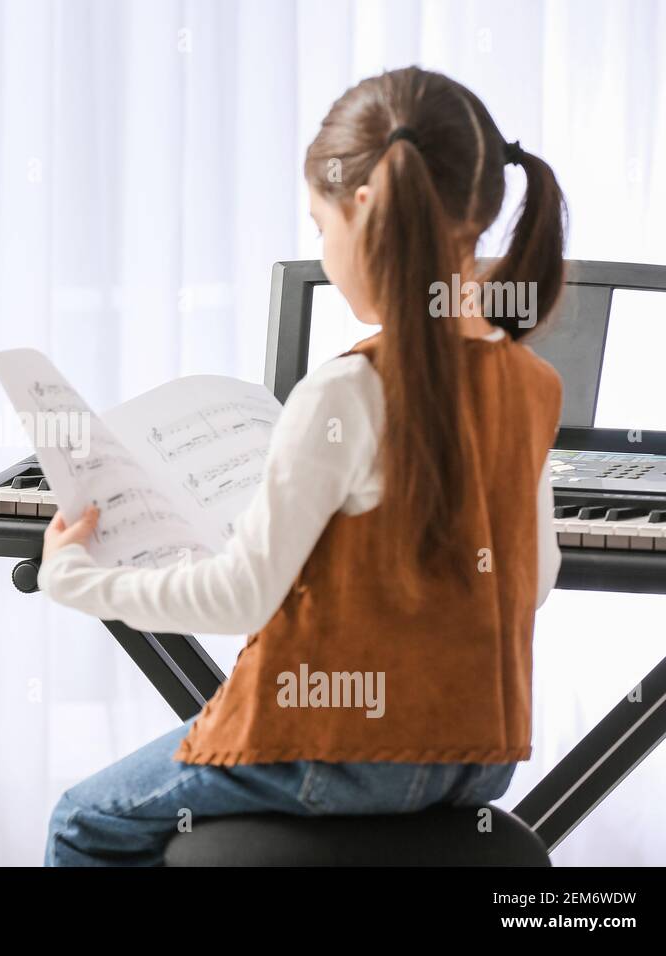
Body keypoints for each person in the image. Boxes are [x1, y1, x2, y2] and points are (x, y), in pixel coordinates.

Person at [38, 66, 568, 866]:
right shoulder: (532, 382)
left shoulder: (346, 391)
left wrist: (72, 579)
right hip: (474, 758)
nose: (322, 252)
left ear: (360, 208)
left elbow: (239, 595)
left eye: (318, 226)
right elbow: (538, 579)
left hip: (335, 755)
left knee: (84, 820)